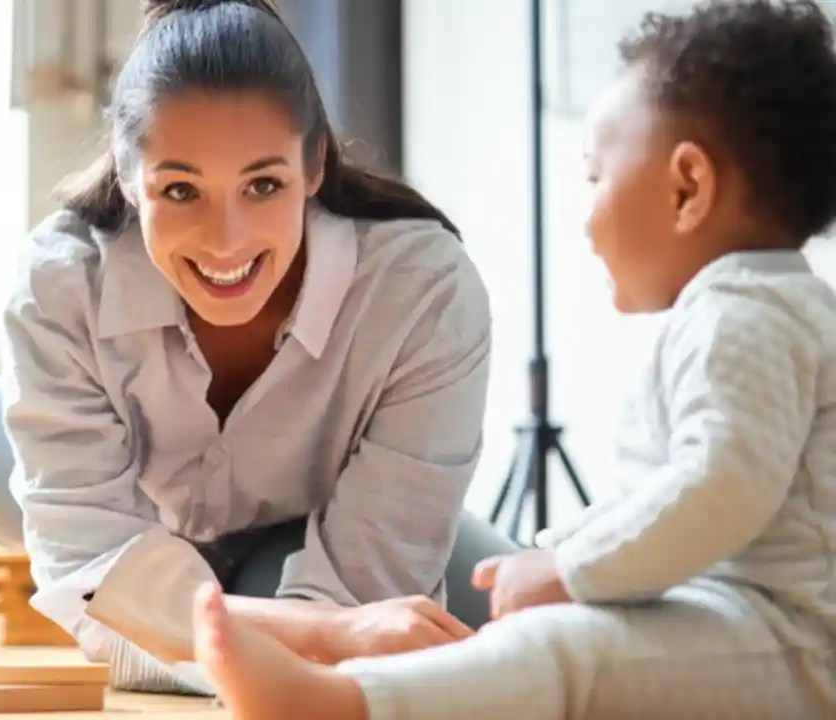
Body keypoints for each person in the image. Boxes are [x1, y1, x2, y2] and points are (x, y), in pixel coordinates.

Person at [187, 1, 836, 718]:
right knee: (557, 641)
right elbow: (673, 495)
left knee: (563, 648)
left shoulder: (744, 317)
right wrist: (566, 555)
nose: (586, 217)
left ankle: (340, 703)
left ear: (687, 188)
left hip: (795, 647)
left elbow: (717, 491)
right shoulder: (763, 308)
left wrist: (570, 570)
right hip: (751, 628)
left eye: (595, 178)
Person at [0, 0, 495, 691]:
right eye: (180, 189)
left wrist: (311, 626)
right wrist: (321, 635)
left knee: (499, 626)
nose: (226, 240)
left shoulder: (423, 292)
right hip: (126, 511)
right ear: (129, 175)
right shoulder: (60, 279)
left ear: (314, 163)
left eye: (263, 184)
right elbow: (94, 588)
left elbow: (364, 605)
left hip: (312, 532)